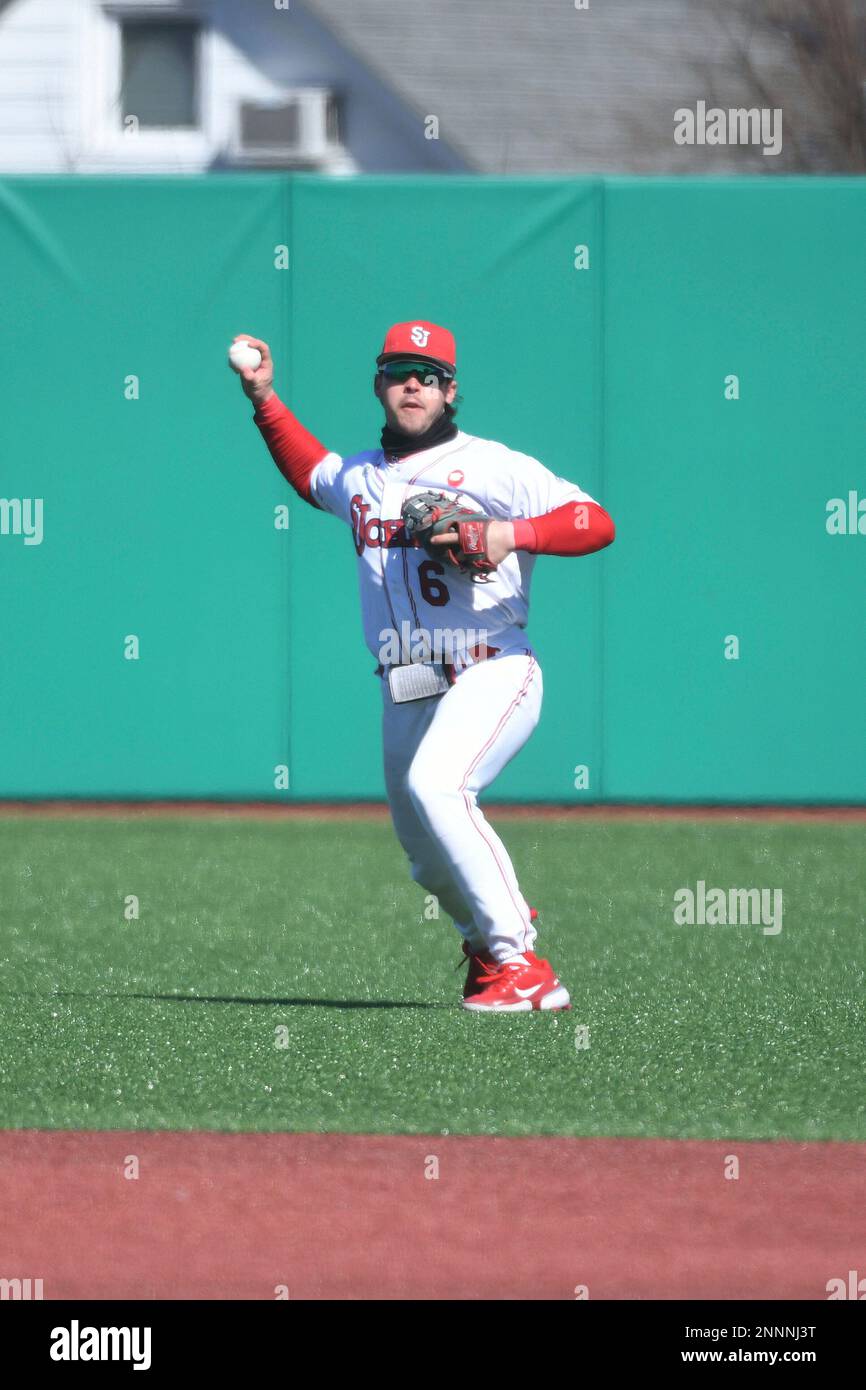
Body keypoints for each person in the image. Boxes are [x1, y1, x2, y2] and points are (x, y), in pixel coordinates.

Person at [232, 321, 614, 1011]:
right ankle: (485, 950)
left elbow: (595, 521)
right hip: (405, 682)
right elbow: (309, 471)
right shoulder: (360, 477)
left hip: (491, 663)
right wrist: (263, 397)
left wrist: (511, 533)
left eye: (429, 375)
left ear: (451, 391)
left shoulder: (495, 466)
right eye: (402, 372)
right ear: (380, 384)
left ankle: (524, 966)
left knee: (440, 788)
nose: (415, 384)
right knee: (423, 852)